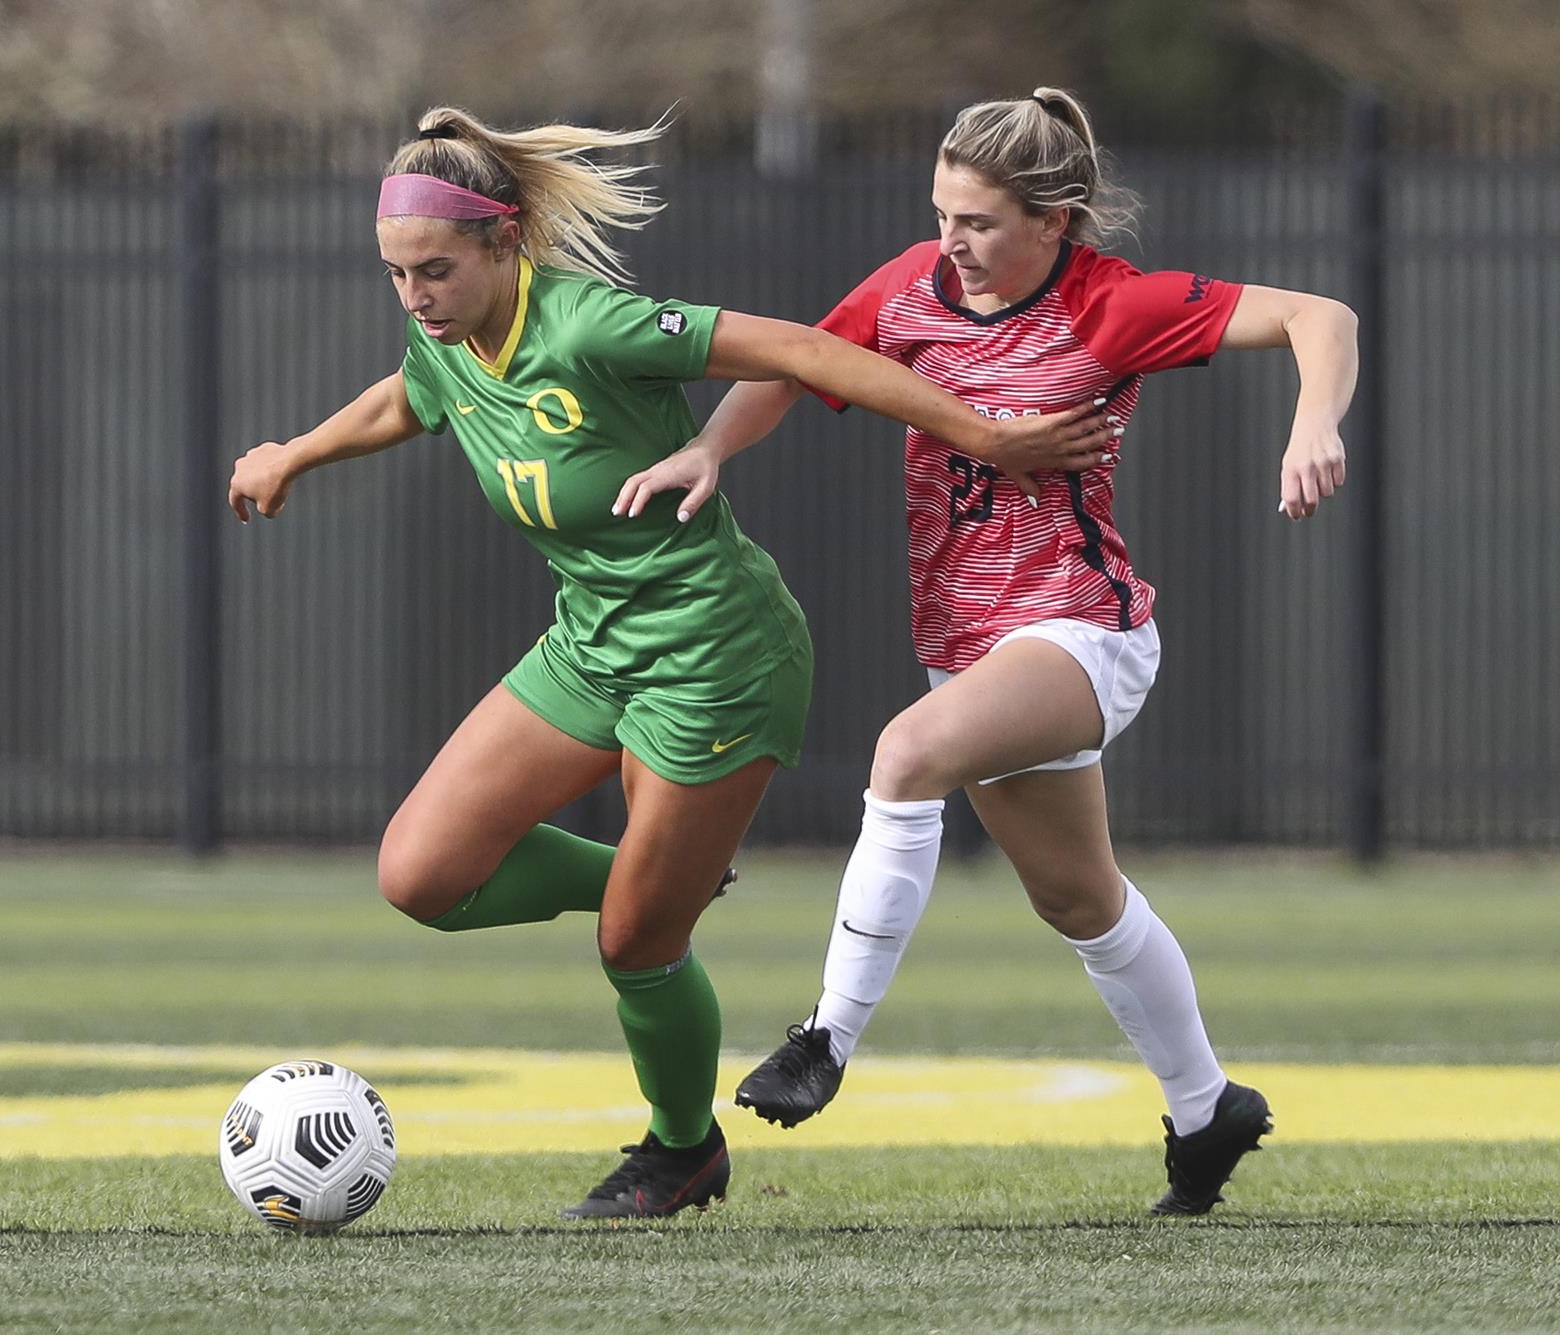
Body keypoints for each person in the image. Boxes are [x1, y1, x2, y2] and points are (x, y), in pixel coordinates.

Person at [228, 106, 1115, 1219]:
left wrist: (983, 434)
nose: (414, 297)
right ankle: (660, 878)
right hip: (591, 642)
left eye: (435, 271)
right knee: (420, 877)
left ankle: (680, 1150)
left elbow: (801, 349)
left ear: (504, 244)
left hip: (714, 653)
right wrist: (297, 453)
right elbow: (413, 393)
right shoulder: (447, 337)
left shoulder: (592, 322)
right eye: (396, 275)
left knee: (636, 945)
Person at [614, 87, 1356, 1216]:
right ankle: (1208, 1111)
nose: (949, 242)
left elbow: (1323, 317)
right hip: (963, 644)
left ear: (1053, 221)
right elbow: (801, 360)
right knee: (1077, 901)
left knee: (903, 756)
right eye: (941, 213)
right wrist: (711, 448)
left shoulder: (1113, 305)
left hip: (1078, 631)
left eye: (977, 221)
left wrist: (1313, 423)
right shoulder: (911, 286)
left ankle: (824, 1039)